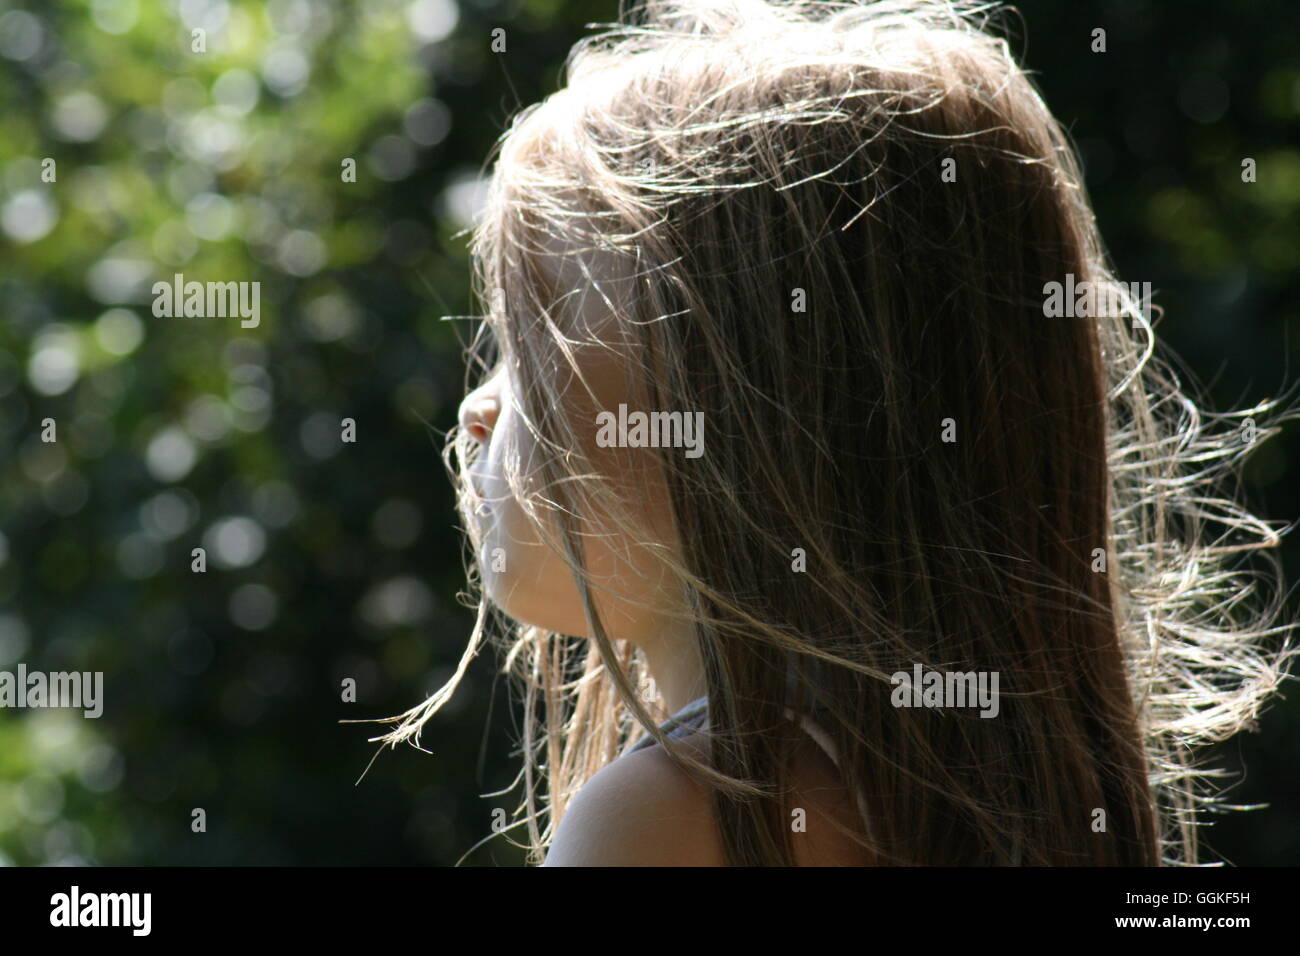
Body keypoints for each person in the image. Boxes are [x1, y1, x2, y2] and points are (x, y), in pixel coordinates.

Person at [374, 0, 1297, 866]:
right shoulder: (985, 801)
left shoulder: (667, 820)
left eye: (532, 343)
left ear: (742, 407)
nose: (476, 406)